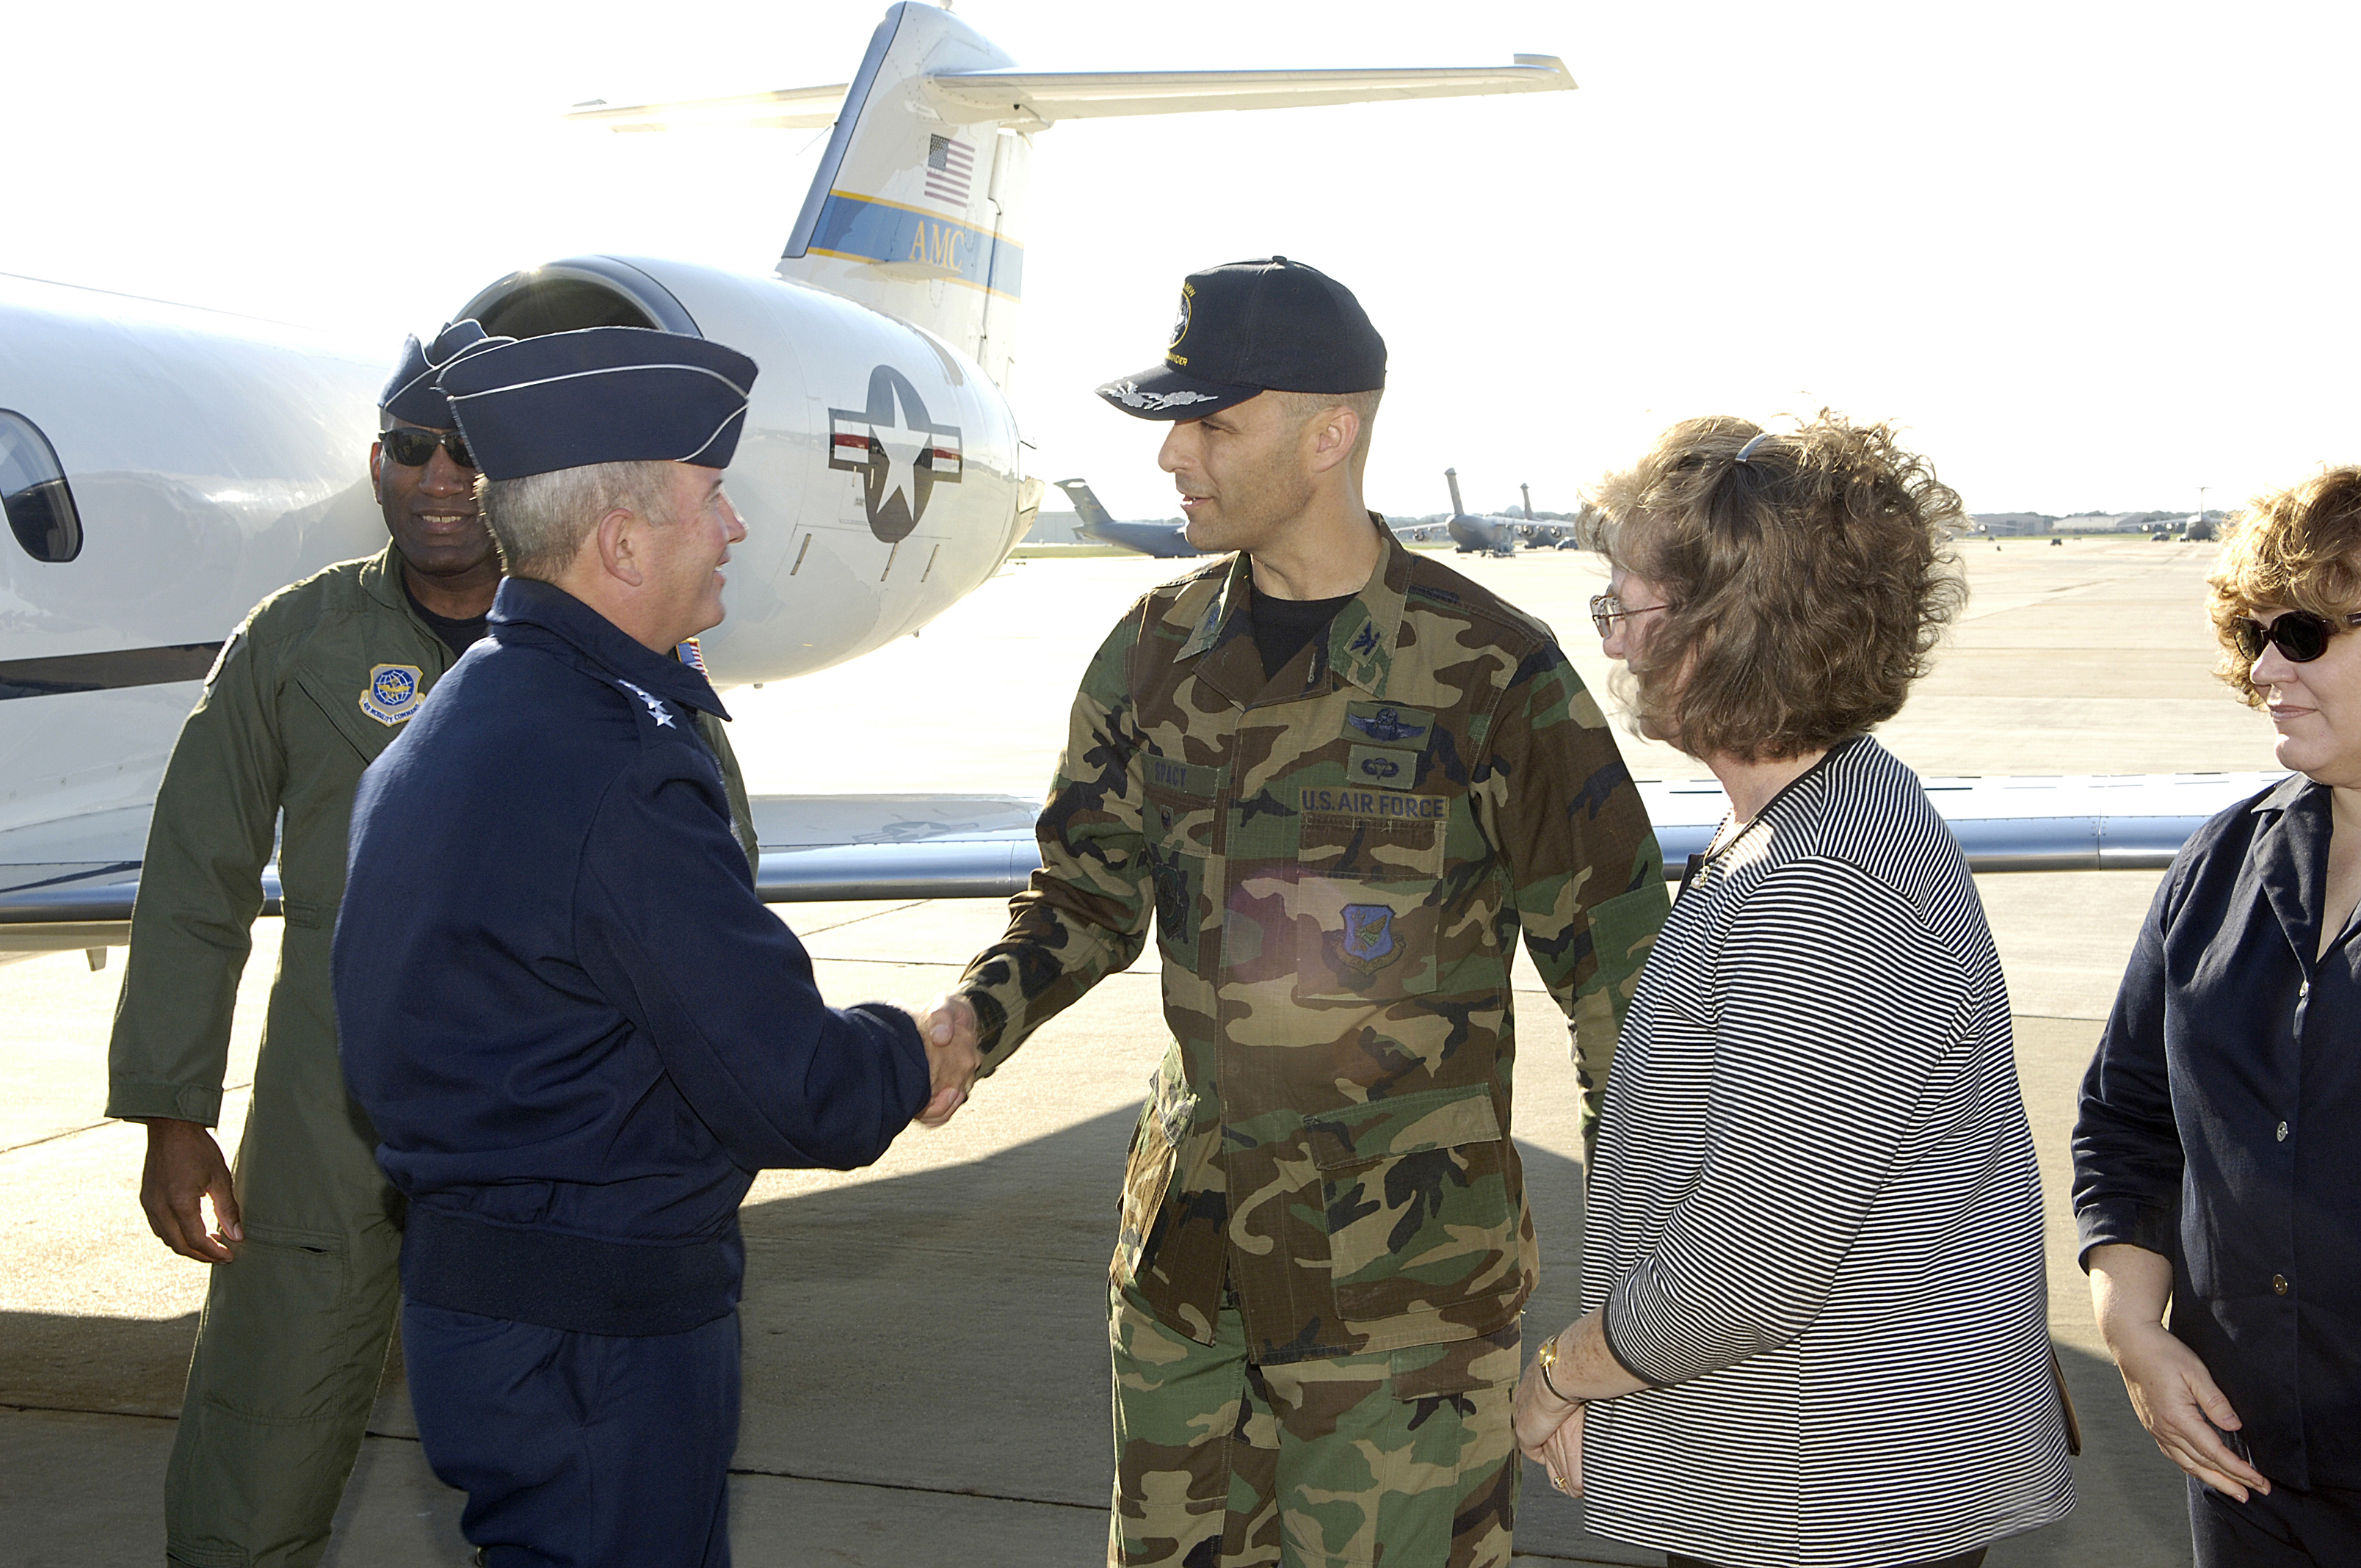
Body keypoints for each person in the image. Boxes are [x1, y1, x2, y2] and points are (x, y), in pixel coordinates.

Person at [930, 258, 1670, 1567]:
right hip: (1187, 1281)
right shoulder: (1151, 651)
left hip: (1403, 1316)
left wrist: (1649, 1306)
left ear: (1331, 434)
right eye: (1176, 420)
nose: (1171, 453)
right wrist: (971, 1027)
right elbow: (1087, 894)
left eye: (1213, 421)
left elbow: (1628, 999)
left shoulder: (1491, 675)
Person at [101, 319, 755, 1568]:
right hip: (327, 1118)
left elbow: (711, 883)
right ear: (376, 462)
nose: (438, 479)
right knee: (257, 1447)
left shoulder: (621, 659)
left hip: (546, 1130)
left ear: (514, 486)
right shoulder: (297, 644)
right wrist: (169, 1110)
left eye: (465, 454)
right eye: (412, 448)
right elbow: (197, 879)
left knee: (576, 1472)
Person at [331, 325, 976, 1568]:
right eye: (710, 501)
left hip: (485, 1312)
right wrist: (916, 1050)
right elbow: (796, 1087)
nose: (732, 529)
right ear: (621, 542)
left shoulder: (459, 715)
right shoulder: (612, 764)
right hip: (596, 1342)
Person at [1512, 415, 2075, 1568]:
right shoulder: (1829, 804)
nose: (1612, 637)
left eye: (1624, 603)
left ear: (1719, 632)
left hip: (1828, 1501)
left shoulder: (1819, 889)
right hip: (1815, 1475)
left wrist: (1564, 1374)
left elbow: (1755, 1260)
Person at [2073, 467, 2361, 1566]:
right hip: (2249, 1484)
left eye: (2302, 632)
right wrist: (2131, 1327)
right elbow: (2129, 1115)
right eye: (2252, 633)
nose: (2264, 668)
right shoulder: (2225, 860)